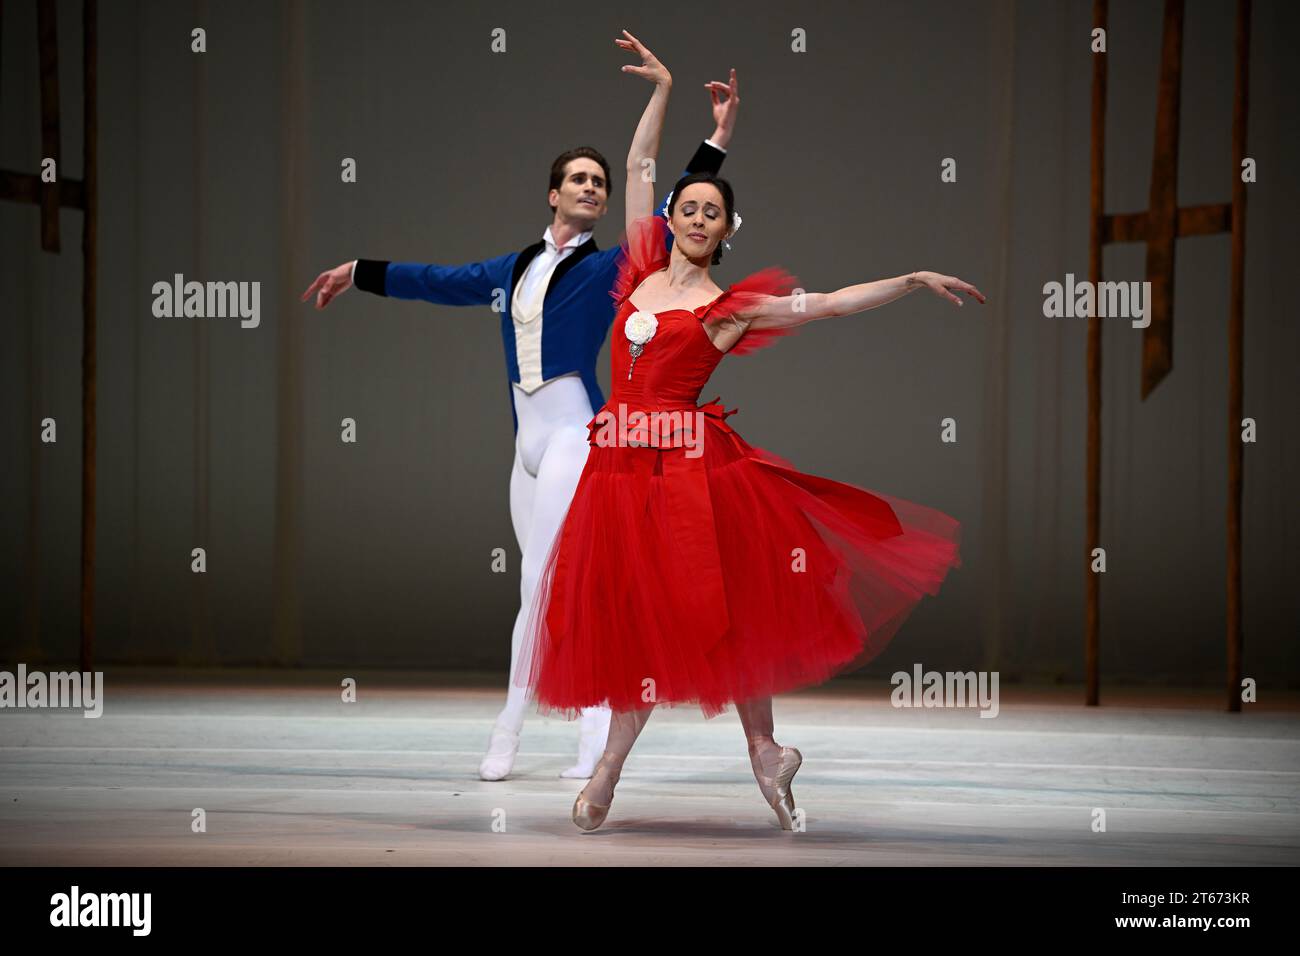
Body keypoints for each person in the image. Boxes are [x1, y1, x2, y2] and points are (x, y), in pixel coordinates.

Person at [510, 32, 983, 830]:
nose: (697, 216)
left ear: (727, 232)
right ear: (674, 219)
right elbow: (638, 170)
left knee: (719, 617)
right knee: (639, 628)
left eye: (712, 212)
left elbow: (825, 303)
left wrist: (907, 279)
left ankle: (753, 753)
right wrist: (664, 95)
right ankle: (630, 772)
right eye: (688, 207)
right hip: (621, 476)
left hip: (693, 475)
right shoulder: (637, 267)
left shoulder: (727, 311)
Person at [302, 48, 742, 782]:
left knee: (541, 578)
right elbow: (436, 282)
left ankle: (511, 729)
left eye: (600, 183)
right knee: (544, 585)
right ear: (552, 193)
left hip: (579, 433)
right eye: (580, 180)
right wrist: (358, 272)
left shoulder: (613, 269)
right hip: (526, 447)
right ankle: (588, 726)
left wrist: (715, 138)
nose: (594, 189)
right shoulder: (510, 270)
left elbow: (673, 213)